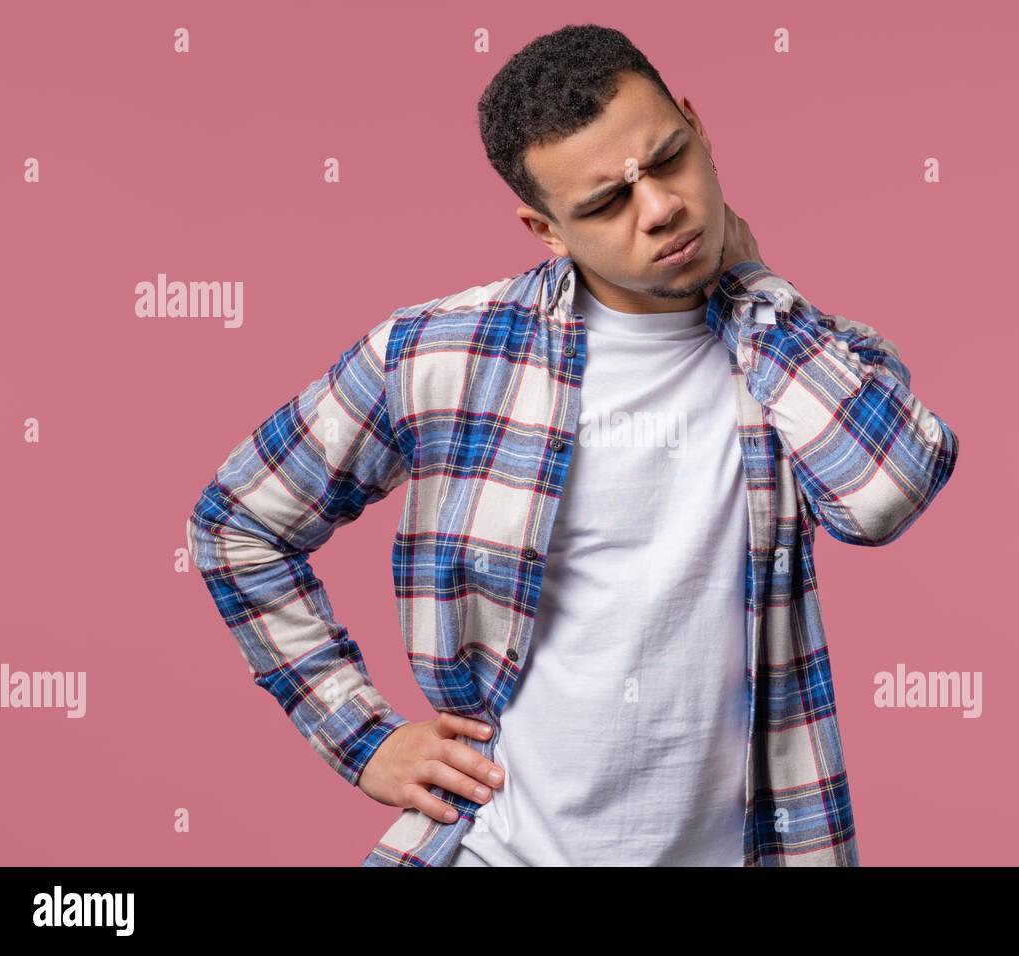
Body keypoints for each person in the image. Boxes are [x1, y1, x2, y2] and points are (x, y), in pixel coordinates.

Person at [184, 23, 959, 867]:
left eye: (668, 159)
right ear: (544, 229)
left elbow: (885, 496)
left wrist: (757, 289)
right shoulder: (442, 355)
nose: (659, 207)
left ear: (698, 126)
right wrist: (362, 737)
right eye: (604, 203)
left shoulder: (799, 357)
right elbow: (236, 522)